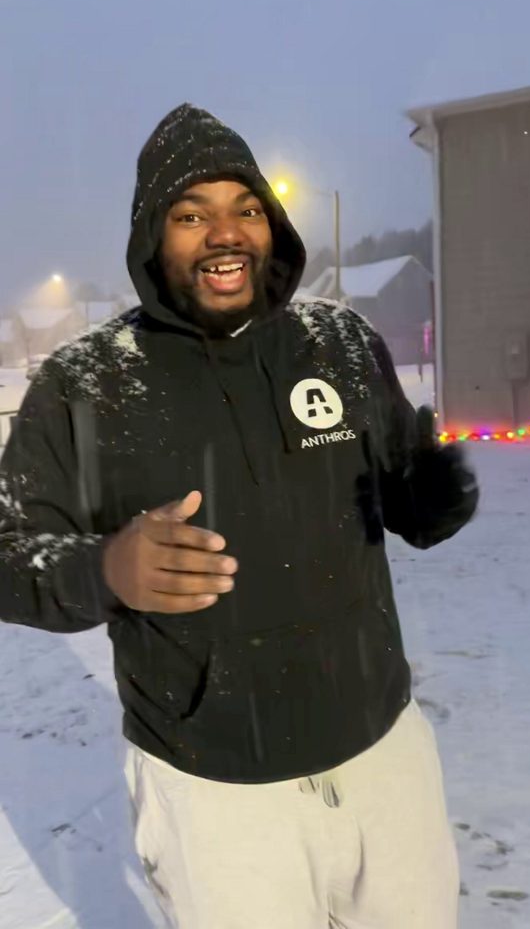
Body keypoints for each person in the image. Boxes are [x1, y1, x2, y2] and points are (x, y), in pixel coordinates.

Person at [0, 104, 479, 929]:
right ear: (152, 234)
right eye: (192, 215)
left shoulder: (339, 342)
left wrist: (435, 495)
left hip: (384, 755)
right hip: (215, 792)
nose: (226, 233)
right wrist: (104, 568)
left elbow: (404, 494)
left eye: (246, 208)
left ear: (272, 226)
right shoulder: (87, 384)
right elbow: (9, 552)